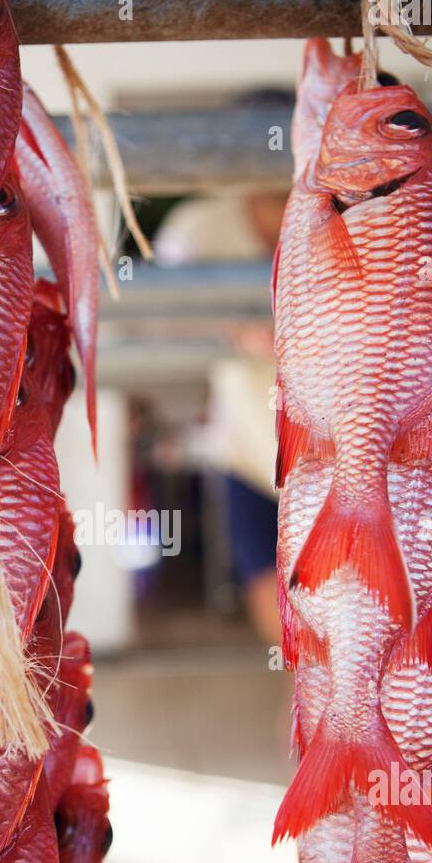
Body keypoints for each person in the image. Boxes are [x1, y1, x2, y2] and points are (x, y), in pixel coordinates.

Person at [155, 191, 286, 647]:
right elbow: (154, 313)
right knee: (299, 661)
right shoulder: (200, 226)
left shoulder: (361, 212)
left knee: (356, 651)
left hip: (347, 463)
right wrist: (227, 326)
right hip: (247, 453)